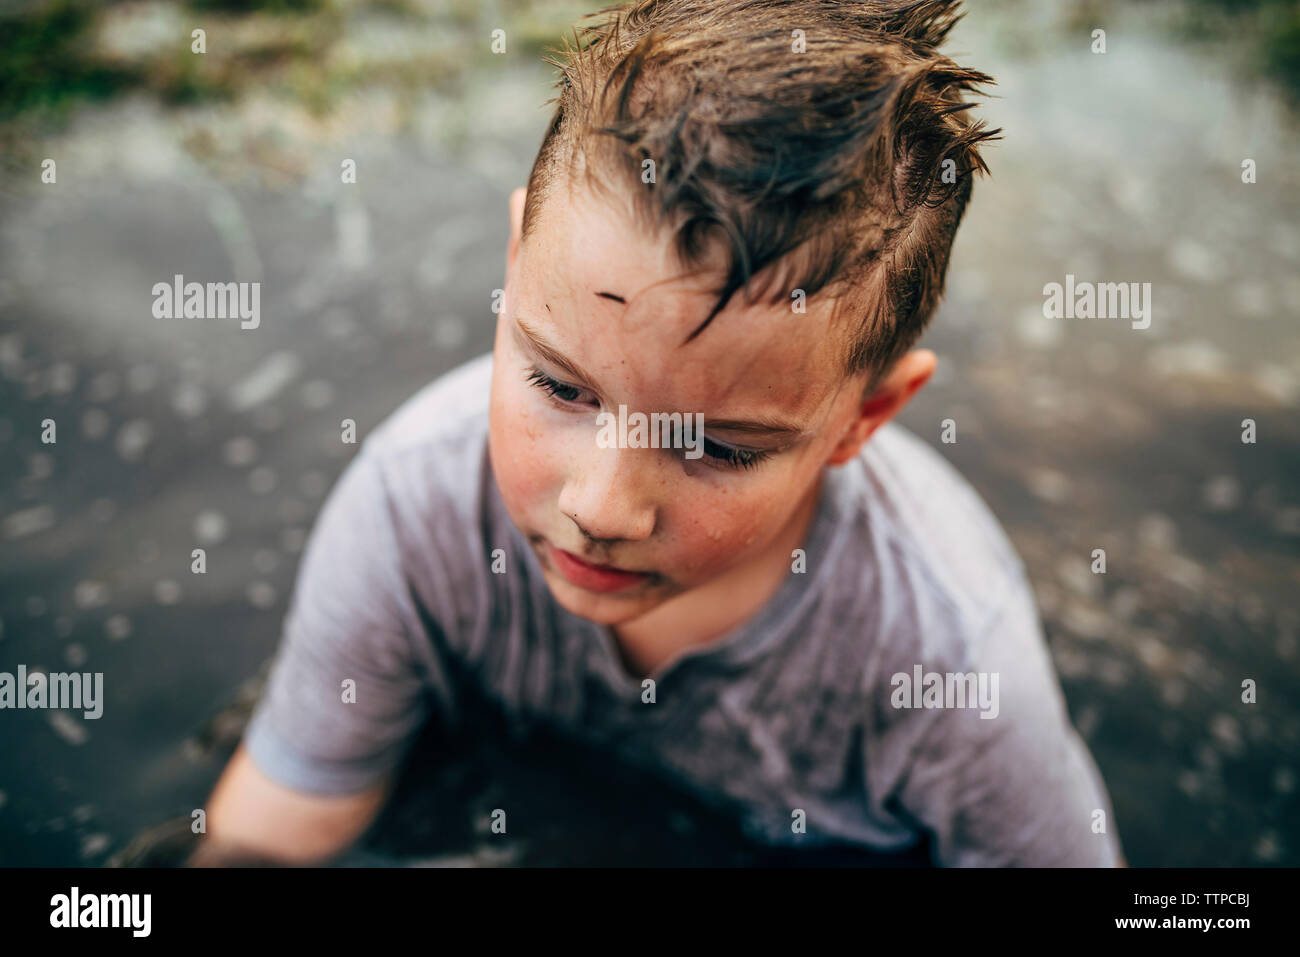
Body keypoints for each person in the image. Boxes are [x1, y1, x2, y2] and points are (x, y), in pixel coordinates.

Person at [194, 0, 1124, 867]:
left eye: (719, 447)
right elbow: (278, 824)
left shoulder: (946, 661)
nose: (600, 508)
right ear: (516, 263)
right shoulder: (415, 510)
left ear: (862, 419)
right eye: (562, 386)